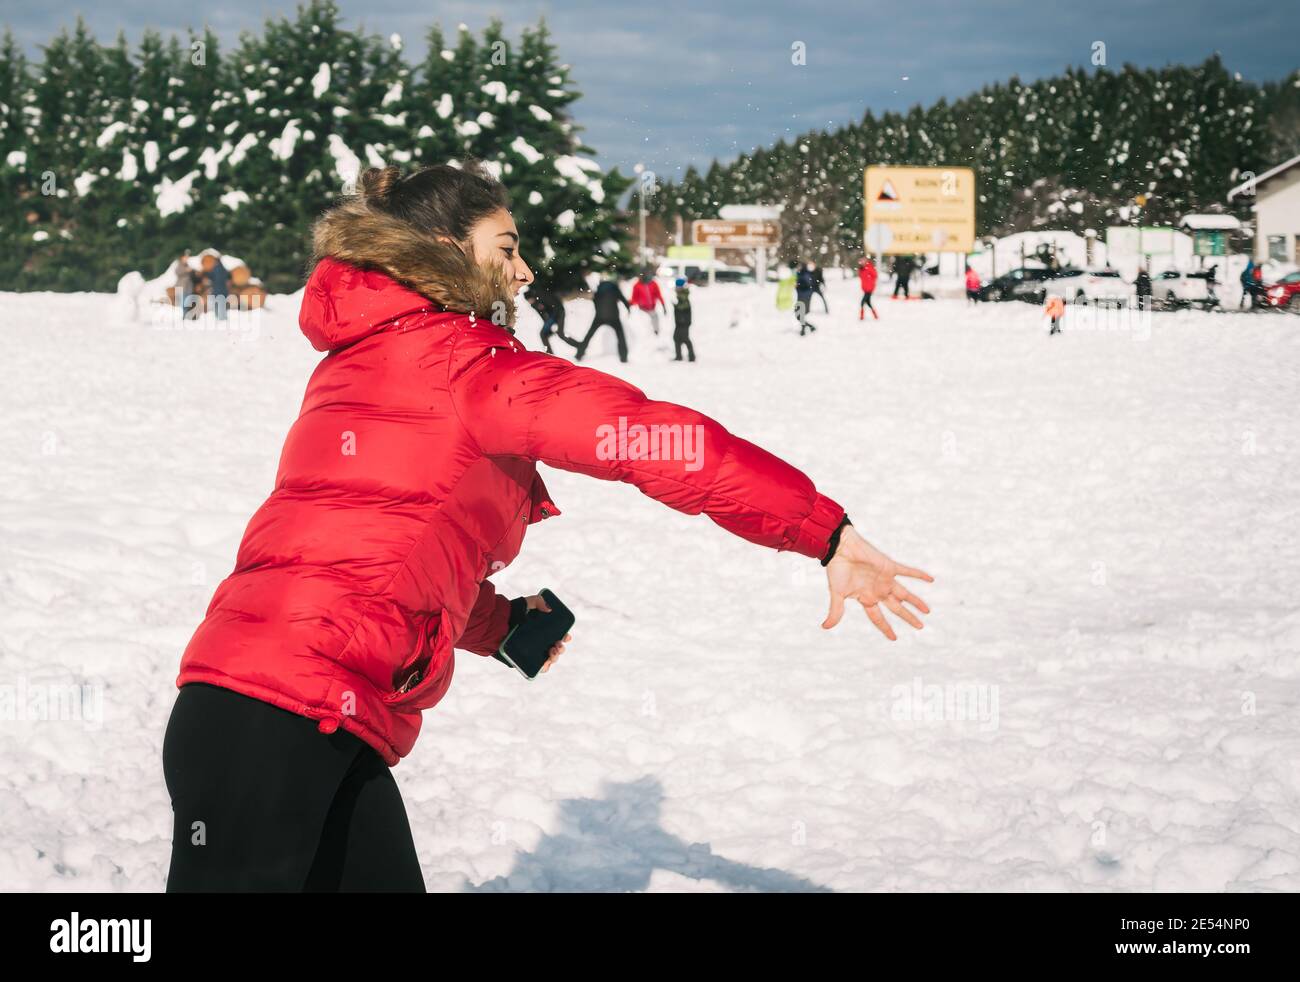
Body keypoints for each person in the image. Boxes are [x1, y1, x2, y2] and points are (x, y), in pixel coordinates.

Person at [161, 162, 932, 892]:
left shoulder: (357, 363)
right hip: (276, 723)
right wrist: (819, 529)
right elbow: (651, 439)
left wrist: (497, 626)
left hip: (289, 718)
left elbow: (376, 558)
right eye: (507, 246)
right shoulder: (476, 372)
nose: (526, 270)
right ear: (442, 248)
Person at [575, 272, 630, 362]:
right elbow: (623, 299)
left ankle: (579, 354)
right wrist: (628, 309)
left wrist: (598, 312)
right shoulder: (615, 288)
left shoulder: (599, 289)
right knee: (620, 336)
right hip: (614, 317)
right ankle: (624, 357)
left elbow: (595, 301)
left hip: (600, 317)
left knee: (589, 335)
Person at [526, 285, 577, 355]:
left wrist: (556, 322)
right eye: (528, 301)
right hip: (552, 317)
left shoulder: (541, 296)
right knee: (543, 334)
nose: (530, 302)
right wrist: (548, 327)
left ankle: (579, 346)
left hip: (559, 312)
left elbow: (555, 306)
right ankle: (550, 354)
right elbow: (542, 315)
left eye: (530, 299)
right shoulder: (534, 304)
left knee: (561, 334)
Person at [629, 269, 668, 336]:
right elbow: (634, 298)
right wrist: (628, 304)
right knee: (644, 323)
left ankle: (656, 332)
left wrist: (663, 306)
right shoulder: (637, 285)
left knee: (655, 318)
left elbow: (659, 295)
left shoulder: (653, 284)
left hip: (652, 308)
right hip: (642, 309)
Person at [202, 249, 230, 321]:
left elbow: (210, 276)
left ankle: (219, 317)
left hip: (217, 289)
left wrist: (205, 273)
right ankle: (223, 316)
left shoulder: (214, 269)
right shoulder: (224, 269)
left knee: (217, 304)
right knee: (223, 303)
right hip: (224, 290)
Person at [671, 276, 695, 361]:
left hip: (684, 322)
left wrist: (676, 306)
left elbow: (683, 307)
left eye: (677, 286)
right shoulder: (681, 295)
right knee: (676, 338)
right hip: (680, 321)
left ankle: (691, 356)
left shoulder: (683, 295)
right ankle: (679, 356)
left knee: (685, 338)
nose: (676, 288)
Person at [795, 262, 818, 335]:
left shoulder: (804, 274)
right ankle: (809, 327)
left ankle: (804, 329)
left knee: (800, 315)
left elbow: (808, 286)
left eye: (799, 266)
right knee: (799, 315)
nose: (797, 267)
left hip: (804, 297)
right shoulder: (800, 274)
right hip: (801, 297)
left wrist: (798, 286)